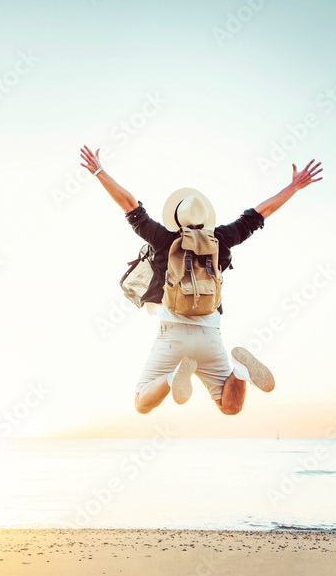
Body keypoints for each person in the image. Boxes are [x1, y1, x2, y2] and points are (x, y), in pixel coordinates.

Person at [79, 145, 323, 415]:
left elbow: (130, 206)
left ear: (175, 218)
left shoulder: (163, 240)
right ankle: (240, 373)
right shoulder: (223, 239)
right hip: (210, 335)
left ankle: (172, 379)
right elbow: (259, 214)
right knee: (230, 407)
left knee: (141, 402)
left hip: (172, 335)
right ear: (205, 218)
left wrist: (99, 171)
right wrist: (293, 187)